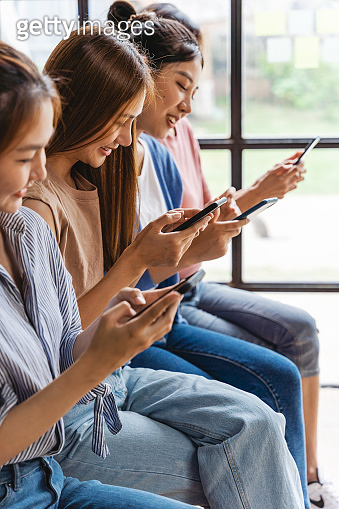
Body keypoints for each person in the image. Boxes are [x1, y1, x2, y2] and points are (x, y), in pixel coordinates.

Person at [22, 27, 306, 509]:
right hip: (72, 404)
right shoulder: (34, 207)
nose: (129, 137)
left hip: (114, 378)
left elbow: (93, 303)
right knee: (248, 453)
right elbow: (58, 345)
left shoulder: (87, 180)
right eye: (121, 121)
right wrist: (137, 260)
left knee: (259, 422)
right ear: (84, 104)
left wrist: (160, 265)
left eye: (133, 121)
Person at [145, 5, 339, 509]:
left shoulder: (170, 142)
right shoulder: (129, 152)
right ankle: (293, 484)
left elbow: (199, 218)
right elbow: (153, 260)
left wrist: (244, 203)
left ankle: (307, 478)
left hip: (186, 284)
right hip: (168, 295)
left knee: (298, 331)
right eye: (182, 83)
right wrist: (245, 201)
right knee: (274, 371)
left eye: (195, 85)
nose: (188, 104)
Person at [0, 40, 200, 509]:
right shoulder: (39, 211)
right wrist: (96, 363)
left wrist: (114, 334)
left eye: (42, 151)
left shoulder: (24, 229)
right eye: (25, 156)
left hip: (45, 476)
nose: (41, 171)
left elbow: (67, 340)